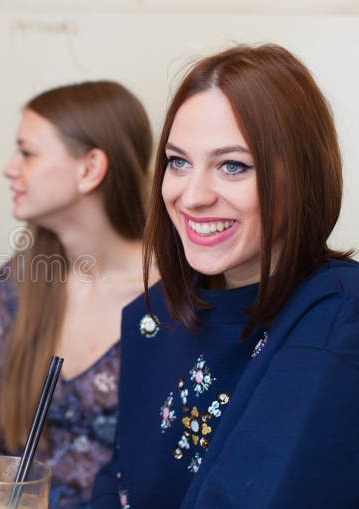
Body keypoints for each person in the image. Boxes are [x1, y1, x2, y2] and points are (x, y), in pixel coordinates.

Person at [91, 44, 359, 508]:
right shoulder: (152, 318)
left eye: (232, 166)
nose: (192, 196)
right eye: (178, 162)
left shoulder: (337, 321)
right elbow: (115, 490)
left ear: (303, 176)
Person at [0, 81, 155, 508]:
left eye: (27, 153)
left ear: (90, 169)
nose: (9, 168)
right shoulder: (21, 281)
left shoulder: (174, 303)